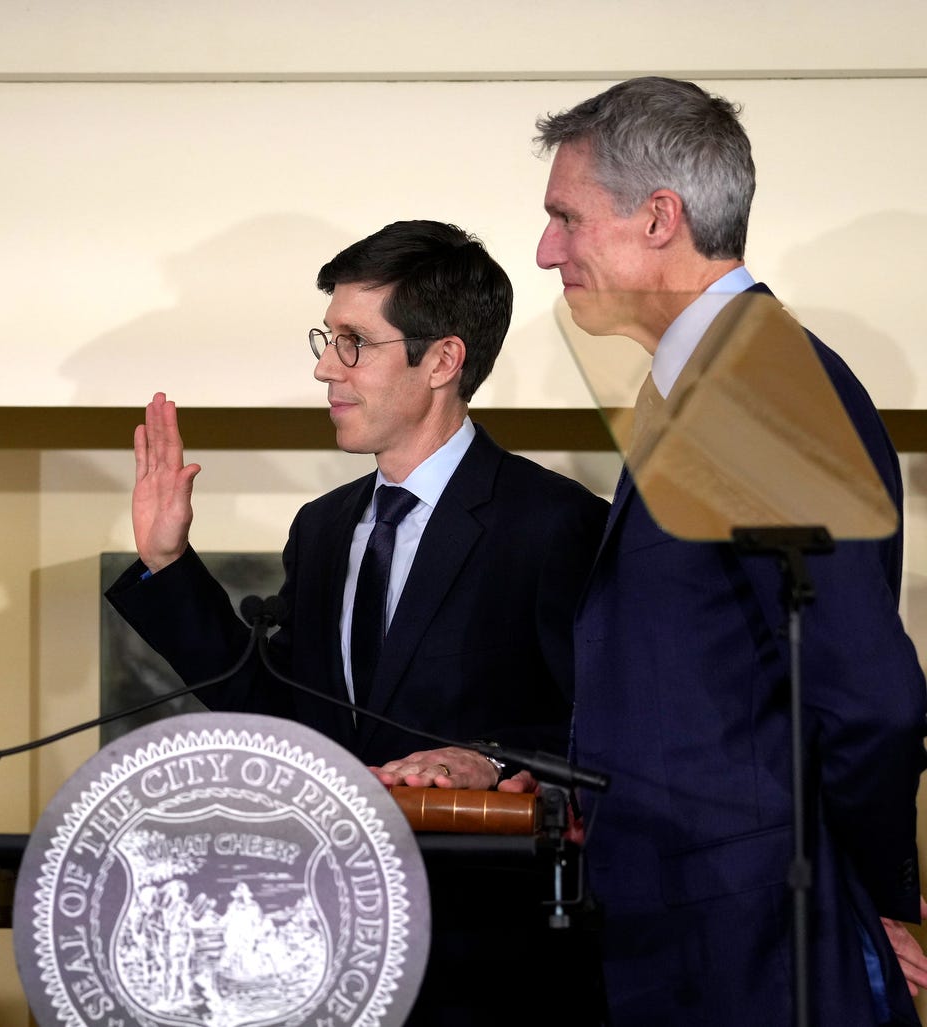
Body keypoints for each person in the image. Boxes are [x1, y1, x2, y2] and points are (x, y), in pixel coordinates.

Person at [105, 220, 609, 1024]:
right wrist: (169, 564)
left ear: (441, 360)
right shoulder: (324, 526)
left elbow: (611, 732)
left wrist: (489, 761)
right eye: (327, 340)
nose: (322, 367)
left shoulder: (555, 523)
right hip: (336, 955)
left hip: (496, 966)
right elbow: (281, 719)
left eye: (352, 344)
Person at [526, 76, 927, 1025]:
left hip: (761, 944)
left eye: (565, 218)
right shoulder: (715, 380)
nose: (547, 250)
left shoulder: (761, 388)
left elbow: (872, 695)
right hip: (705, 931)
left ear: (659, 217)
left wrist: (872, 899)